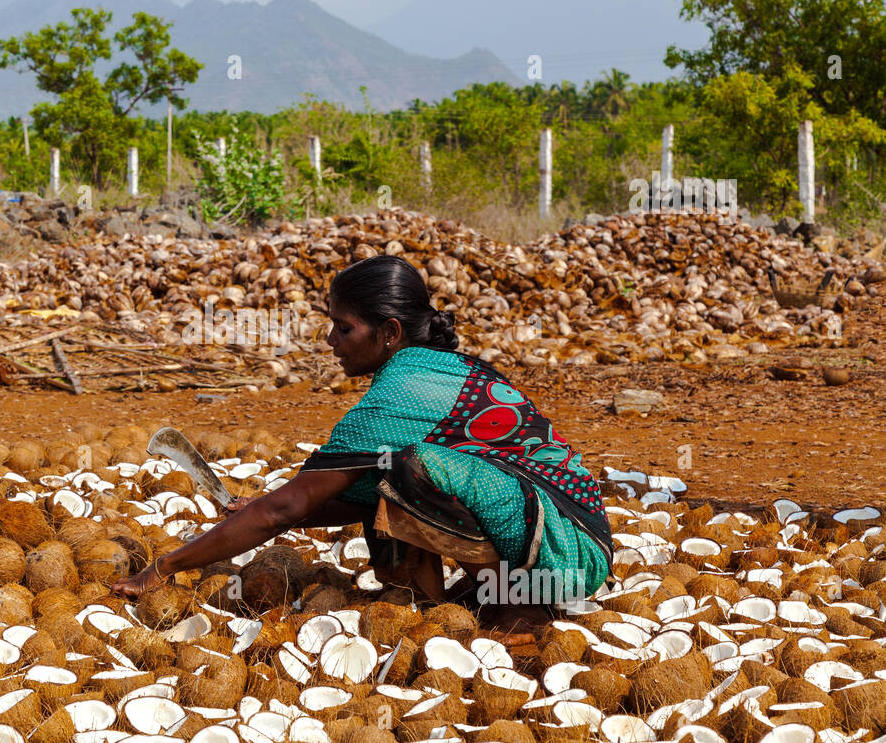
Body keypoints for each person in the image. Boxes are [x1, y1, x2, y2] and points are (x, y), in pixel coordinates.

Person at [112, 255, 613, 644]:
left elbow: (286, 506)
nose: (331, 340)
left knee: (409, 470)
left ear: (389, 331)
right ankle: (448, 598)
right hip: (565, 534)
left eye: (344, 327)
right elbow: (331, 496)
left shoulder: (406, 388)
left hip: (566, 551)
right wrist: (268, 511)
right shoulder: (440, 367)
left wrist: (166, 565)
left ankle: (521, 604)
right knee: (385, 471)